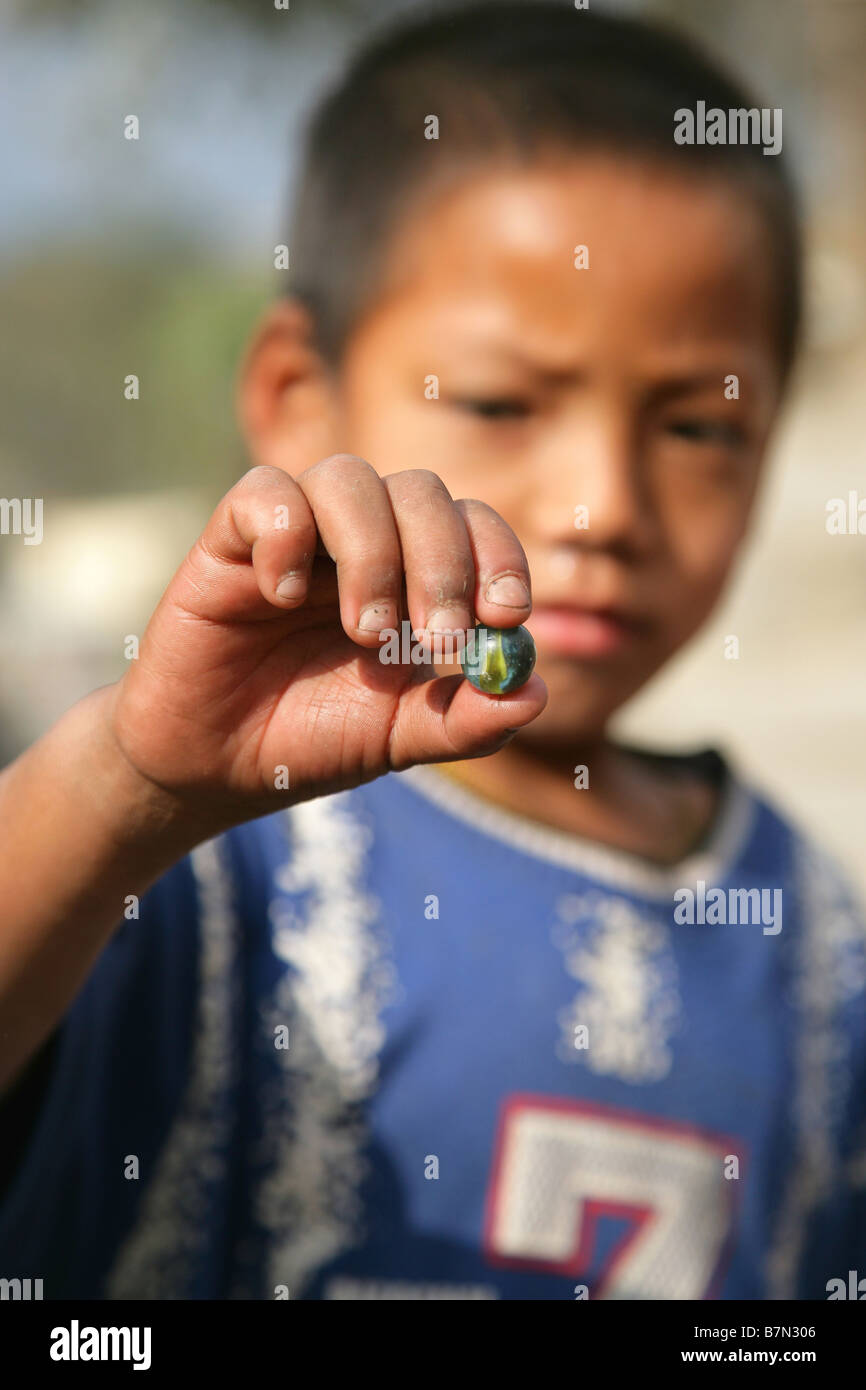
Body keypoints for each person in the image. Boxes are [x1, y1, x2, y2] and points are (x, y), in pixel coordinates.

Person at [1, 2, 863, 1301]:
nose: (602, 507)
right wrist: (124, 789)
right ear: (296, 396)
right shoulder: (194, 866)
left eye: (695, 426)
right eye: (504, 402)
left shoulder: (807, 933)